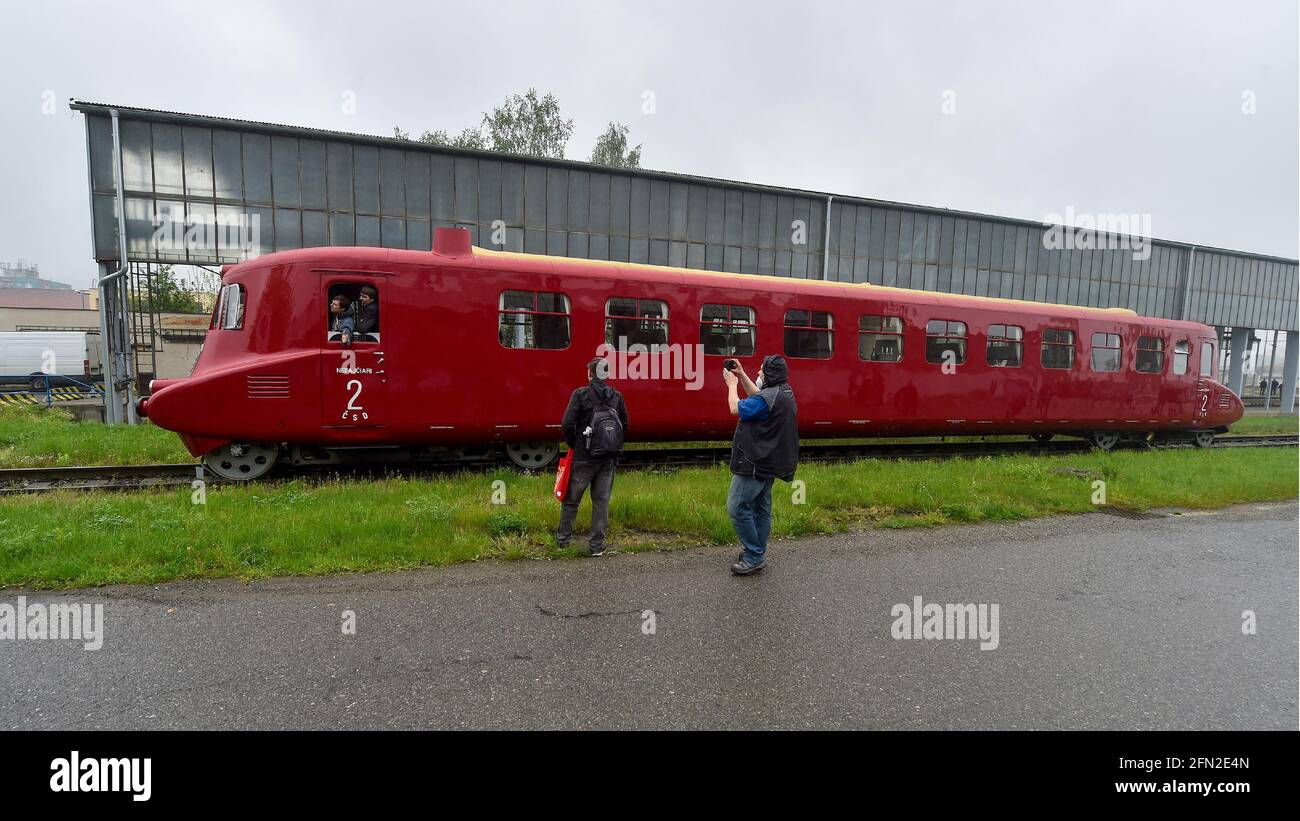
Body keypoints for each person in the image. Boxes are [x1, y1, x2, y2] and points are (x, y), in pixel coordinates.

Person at [722, 354, 798, 575]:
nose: (758, 374)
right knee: (761, 508)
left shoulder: (768, 398)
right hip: (770, 461)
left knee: (736, 507)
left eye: (761, 372)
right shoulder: (783, 392)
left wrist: (731, 385)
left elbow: (736, 408)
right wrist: (742, 374)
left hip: (754, 462)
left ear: (770, 376)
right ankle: (756, 551)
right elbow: (760, 396)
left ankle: (754, 555)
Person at [557, 358, 629, 556]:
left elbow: (566, 424)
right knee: (601, 502)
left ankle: (563, 542)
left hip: (583, 457)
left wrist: (575, 444)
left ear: (590, 374)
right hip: (607, 458)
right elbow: (625, 425)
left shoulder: (580, 394)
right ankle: (596, 546)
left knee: (571, 501)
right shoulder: (617, 396)